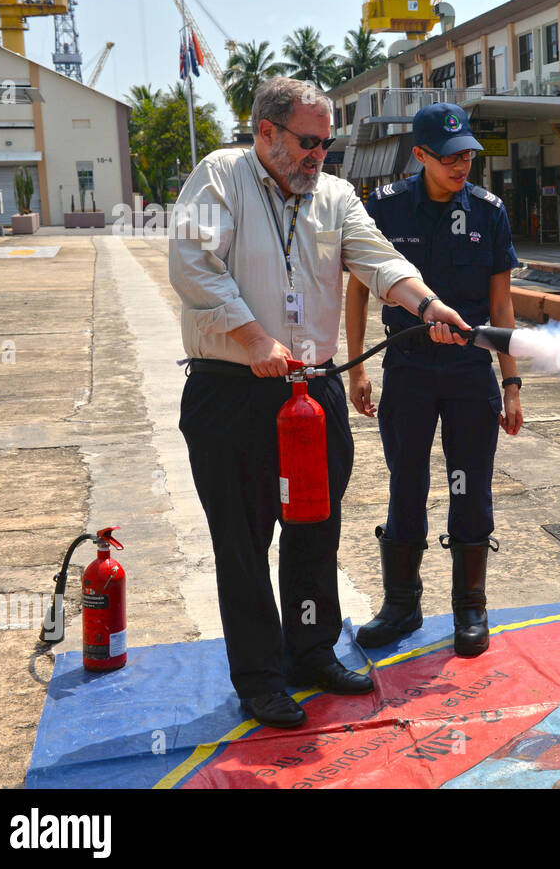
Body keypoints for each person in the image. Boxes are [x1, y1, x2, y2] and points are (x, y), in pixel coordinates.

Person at [169, 78, 471, 729]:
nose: (318, 157)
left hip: (313, 390)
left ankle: (310, 649)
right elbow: (193, 264)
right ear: (266, 133)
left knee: (314, 528)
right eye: (307, 143)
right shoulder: (221, 176)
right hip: (233, 393)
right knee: (244, 542)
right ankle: (259, 677)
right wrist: (254, 339)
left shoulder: (334, 197)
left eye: (326, 145)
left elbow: (378, 261)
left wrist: (429, 305)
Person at [346, 102, 522, 658]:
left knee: (470, 486)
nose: (462, 164)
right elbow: (357, 289)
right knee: (407, 485)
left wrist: (511, 382)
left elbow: (501, 304)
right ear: (419, 155)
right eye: (449, 156)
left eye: (468, 153)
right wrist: (355, 368)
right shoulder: (386, 209)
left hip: (471, 375)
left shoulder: (489, 213)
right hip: (409, 370)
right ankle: (402, 605)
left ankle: (470, 605)